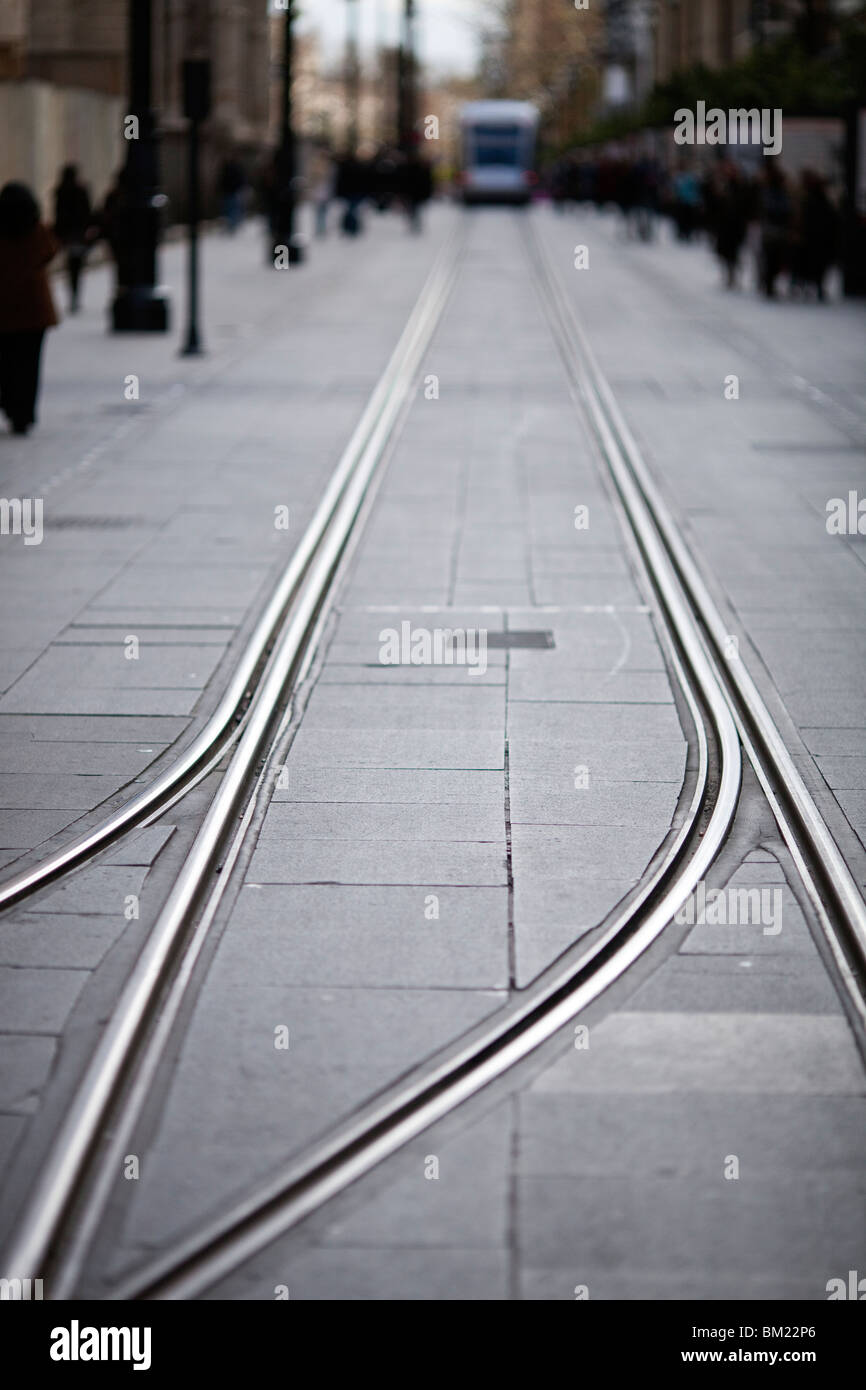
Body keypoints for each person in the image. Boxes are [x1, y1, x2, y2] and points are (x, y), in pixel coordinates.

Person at [0, 182, 59, 436]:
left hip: (4, 306)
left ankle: (11, 405)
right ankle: (25, 412)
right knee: (30, 363)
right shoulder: (37, 229)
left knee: (6, 362)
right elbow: (50, 252)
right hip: (35, 307)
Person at [52, 164, 92, 312]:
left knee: (71, 266)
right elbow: (87, 212)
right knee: (77, 266)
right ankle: (75, 296)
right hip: (78, 234)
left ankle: (73, 296)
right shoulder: (81, 191)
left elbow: (58, 214)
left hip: (67, 235)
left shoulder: (60, 191)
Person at [218, 154, 247, 234]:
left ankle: (232, 225)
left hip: (231, 191)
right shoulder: (231, 168)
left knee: (232, 209)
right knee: (231, 209)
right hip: (230, 192)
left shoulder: (230, 168)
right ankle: (231, 225)